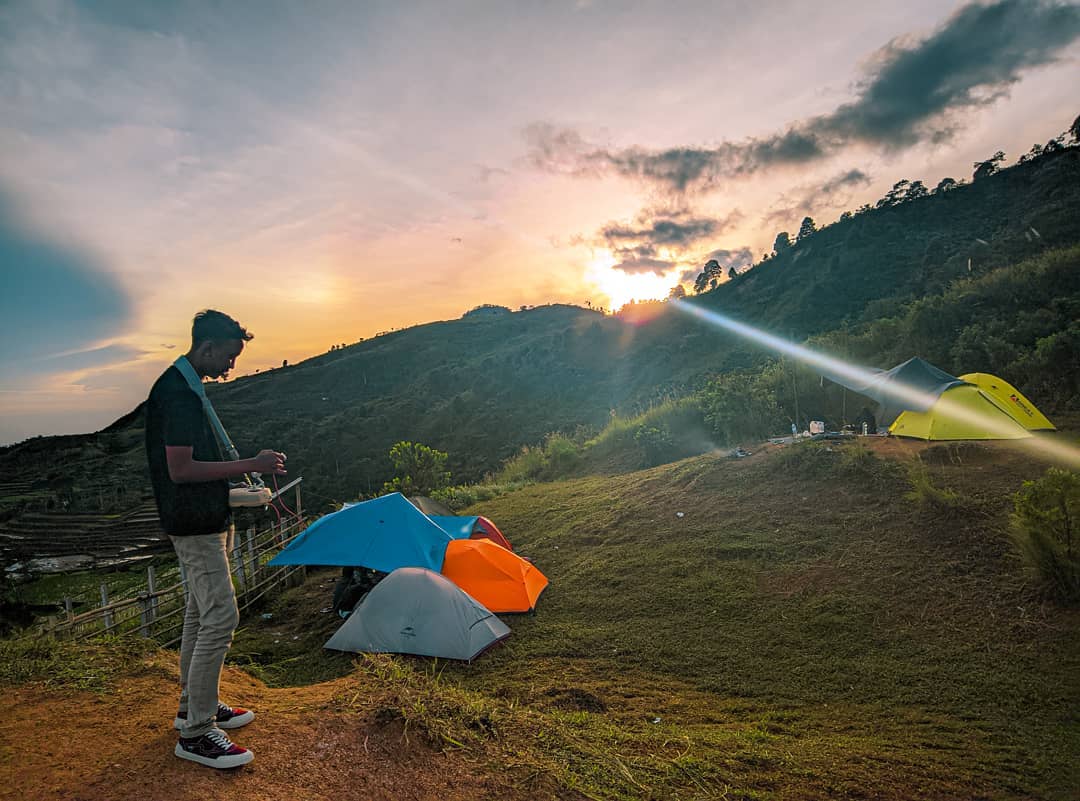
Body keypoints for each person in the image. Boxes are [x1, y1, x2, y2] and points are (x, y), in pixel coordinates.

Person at [144, 309, 286, 769]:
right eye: (227, 356)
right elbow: (181, 470)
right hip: (194, 523)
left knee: (198, 613)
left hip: (207, 516)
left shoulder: (186, 385)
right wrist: (252, 463)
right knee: (221, 618)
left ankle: (195, 704)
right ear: (206, 348)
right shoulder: (180, 394)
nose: (230, 367)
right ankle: (197, 732)